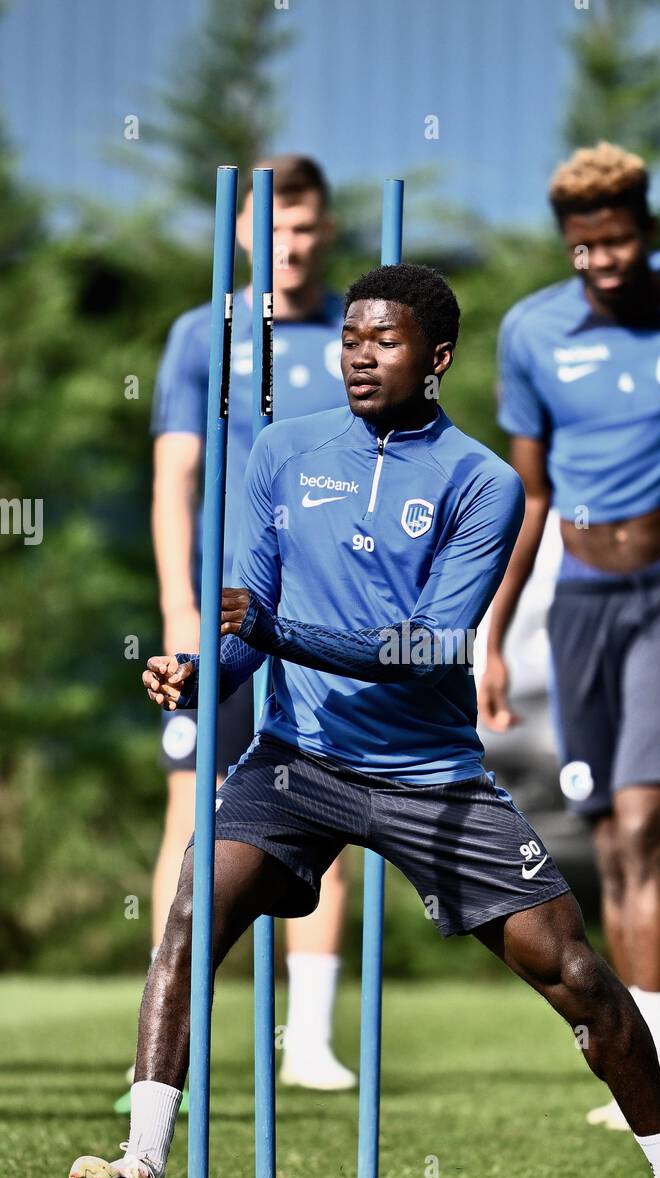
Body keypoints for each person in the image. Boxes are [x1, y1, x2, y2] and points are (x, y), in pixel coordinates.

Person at [68, 263, 660, 1178]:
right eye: (349, 338)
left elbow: (428, 646)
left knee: (575, 976)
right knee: (189, 906)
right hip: (295, 759)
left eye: (382, 341)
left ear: (436, 358)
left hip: (429, 776)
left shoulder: (483, 482)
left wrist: (275, 626)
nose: (357, 356)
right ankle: (139, 1163)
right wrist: (197, 668)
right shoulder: (280, 451)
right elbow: (243, 626)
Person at [479, 144, 660, 1131]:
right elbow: (527, 493)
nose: (600, 261)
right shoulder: (529, 332)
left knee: (651, 818)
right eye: (580, 247)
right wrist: (489, 628)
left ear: (646, 231)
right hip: (579, 603)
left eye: (614, 242)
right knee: (609, 835)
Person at [117, 155, 354, 1113]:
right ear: (249, 229)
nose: (293, 246)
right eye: (278, 228)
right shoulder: (201, 333)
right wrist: (179, 604)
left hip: (319, 625)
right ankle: (163, 1045)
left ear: (325, 232)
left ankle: (314, 1041)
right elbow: (176, 479)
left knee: (322, 801)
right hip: (219, 617)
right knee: (196, 808)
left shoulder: (357, 334)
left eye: (308, 229)